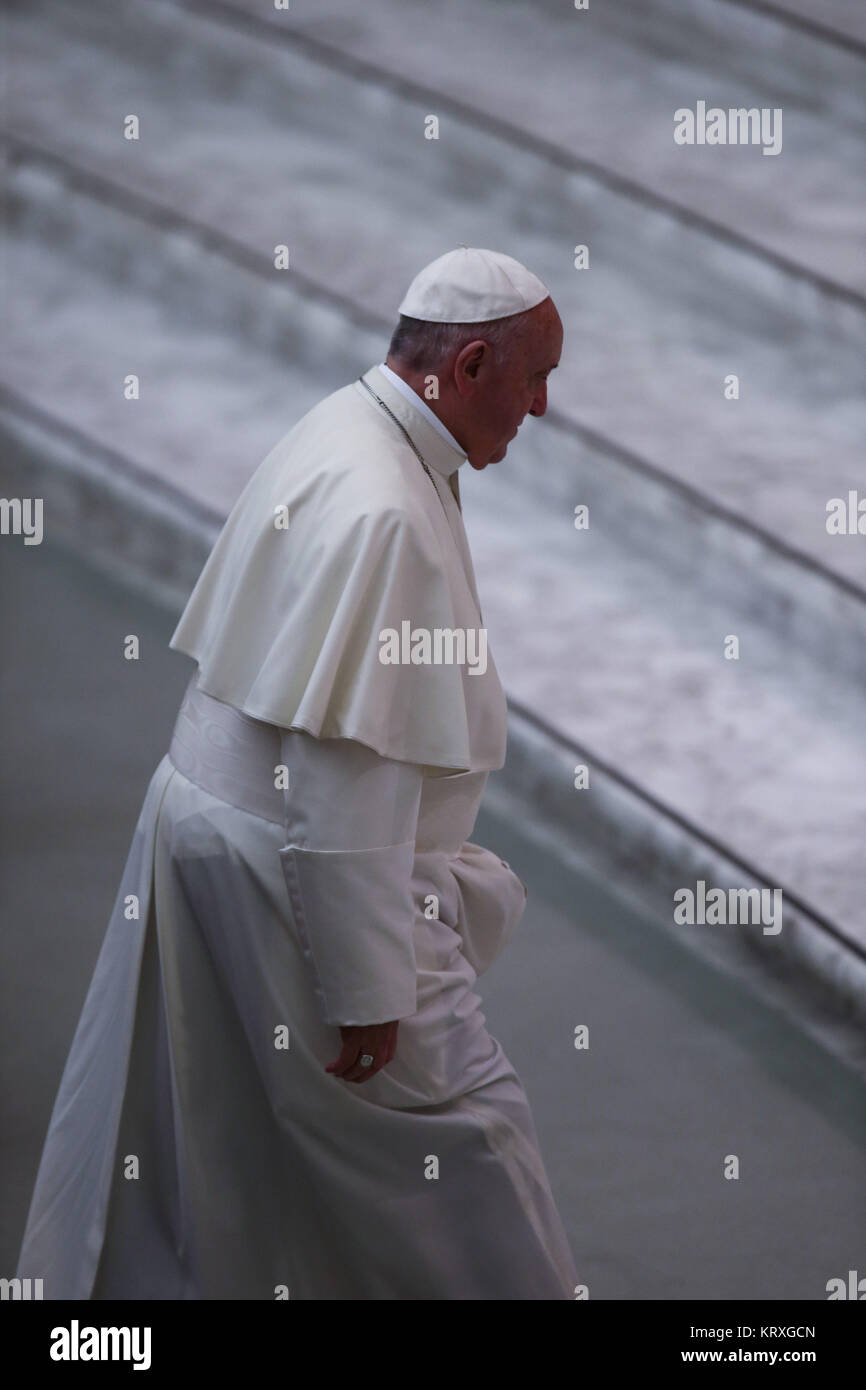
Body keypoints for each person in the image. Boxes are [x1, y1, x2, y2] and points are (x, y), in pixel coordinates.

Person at [16, 247, 578, 1299]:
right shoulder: (387, 509)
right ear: (464, 366)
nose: (541, 407)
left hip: (217, 832)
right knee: (467, 1145)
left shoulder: (350, 425)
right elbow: (343, 768)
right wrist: (368, 988)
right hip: (300, 873)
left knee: (213, 1147)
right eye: (532, 376)